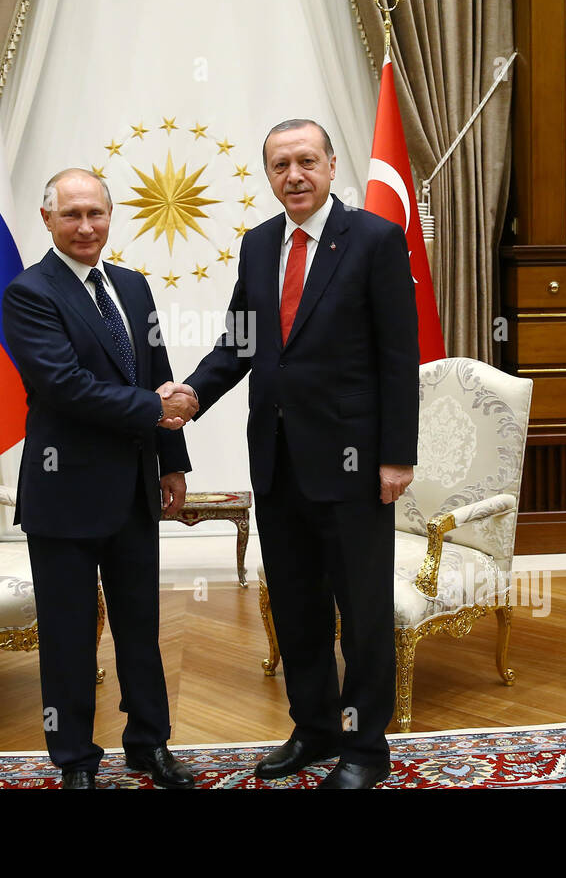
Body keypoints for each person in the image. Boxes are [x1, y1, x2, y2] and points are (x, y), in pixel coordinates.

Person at [171, 120, 419, 789]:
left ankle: (366, 747)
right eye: (281, 165)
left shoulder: (374, 239)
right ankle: (313, 729)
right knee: (298, 603)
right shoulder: (257, 246)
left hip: (354, 463)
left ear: (331, 164)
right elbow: (239, 345)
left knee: (361, 609)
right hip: (277, 461)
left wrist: (397, 455)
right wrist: (190, 394)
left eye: (306, 160)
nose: (295, 175)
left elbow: (399, 356)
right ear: (270, 176)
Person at [1, 167, 199, 790]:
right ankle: (75, 760)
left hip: (136, 489)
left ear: (111, 217)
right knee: (67, 636)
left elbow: (159, 374)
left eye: (96, 214)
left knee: (141, 625)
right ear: (47, 220)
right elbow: (63, 387)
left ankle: (149, 744)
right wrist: (154, 410)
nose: (85, 227)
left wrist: (173, 462)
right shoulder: (29, 293)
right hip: (64, 495)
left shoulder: (134, 288)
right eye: (71, 215)